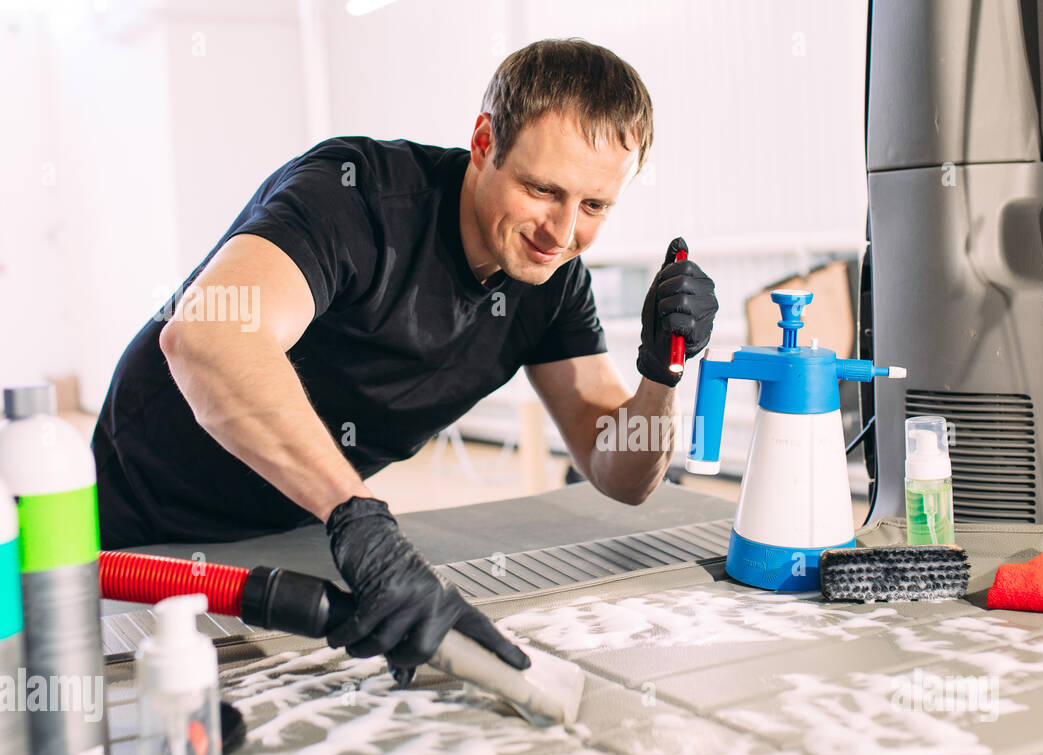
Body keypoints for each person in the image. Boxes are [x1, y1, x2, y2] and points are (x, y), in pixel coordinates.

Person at [92, 38, 718, 679]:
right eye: (541, 189)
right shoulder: (356, 195)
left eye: (593, 207)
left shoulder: (553, 281)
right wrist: (360, 521)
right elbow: (203, 335)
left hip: (301, 521)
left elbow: (621, 473)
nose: (560, 234)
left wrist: (659, 373)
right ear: (483, 142)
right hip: (142, 518)